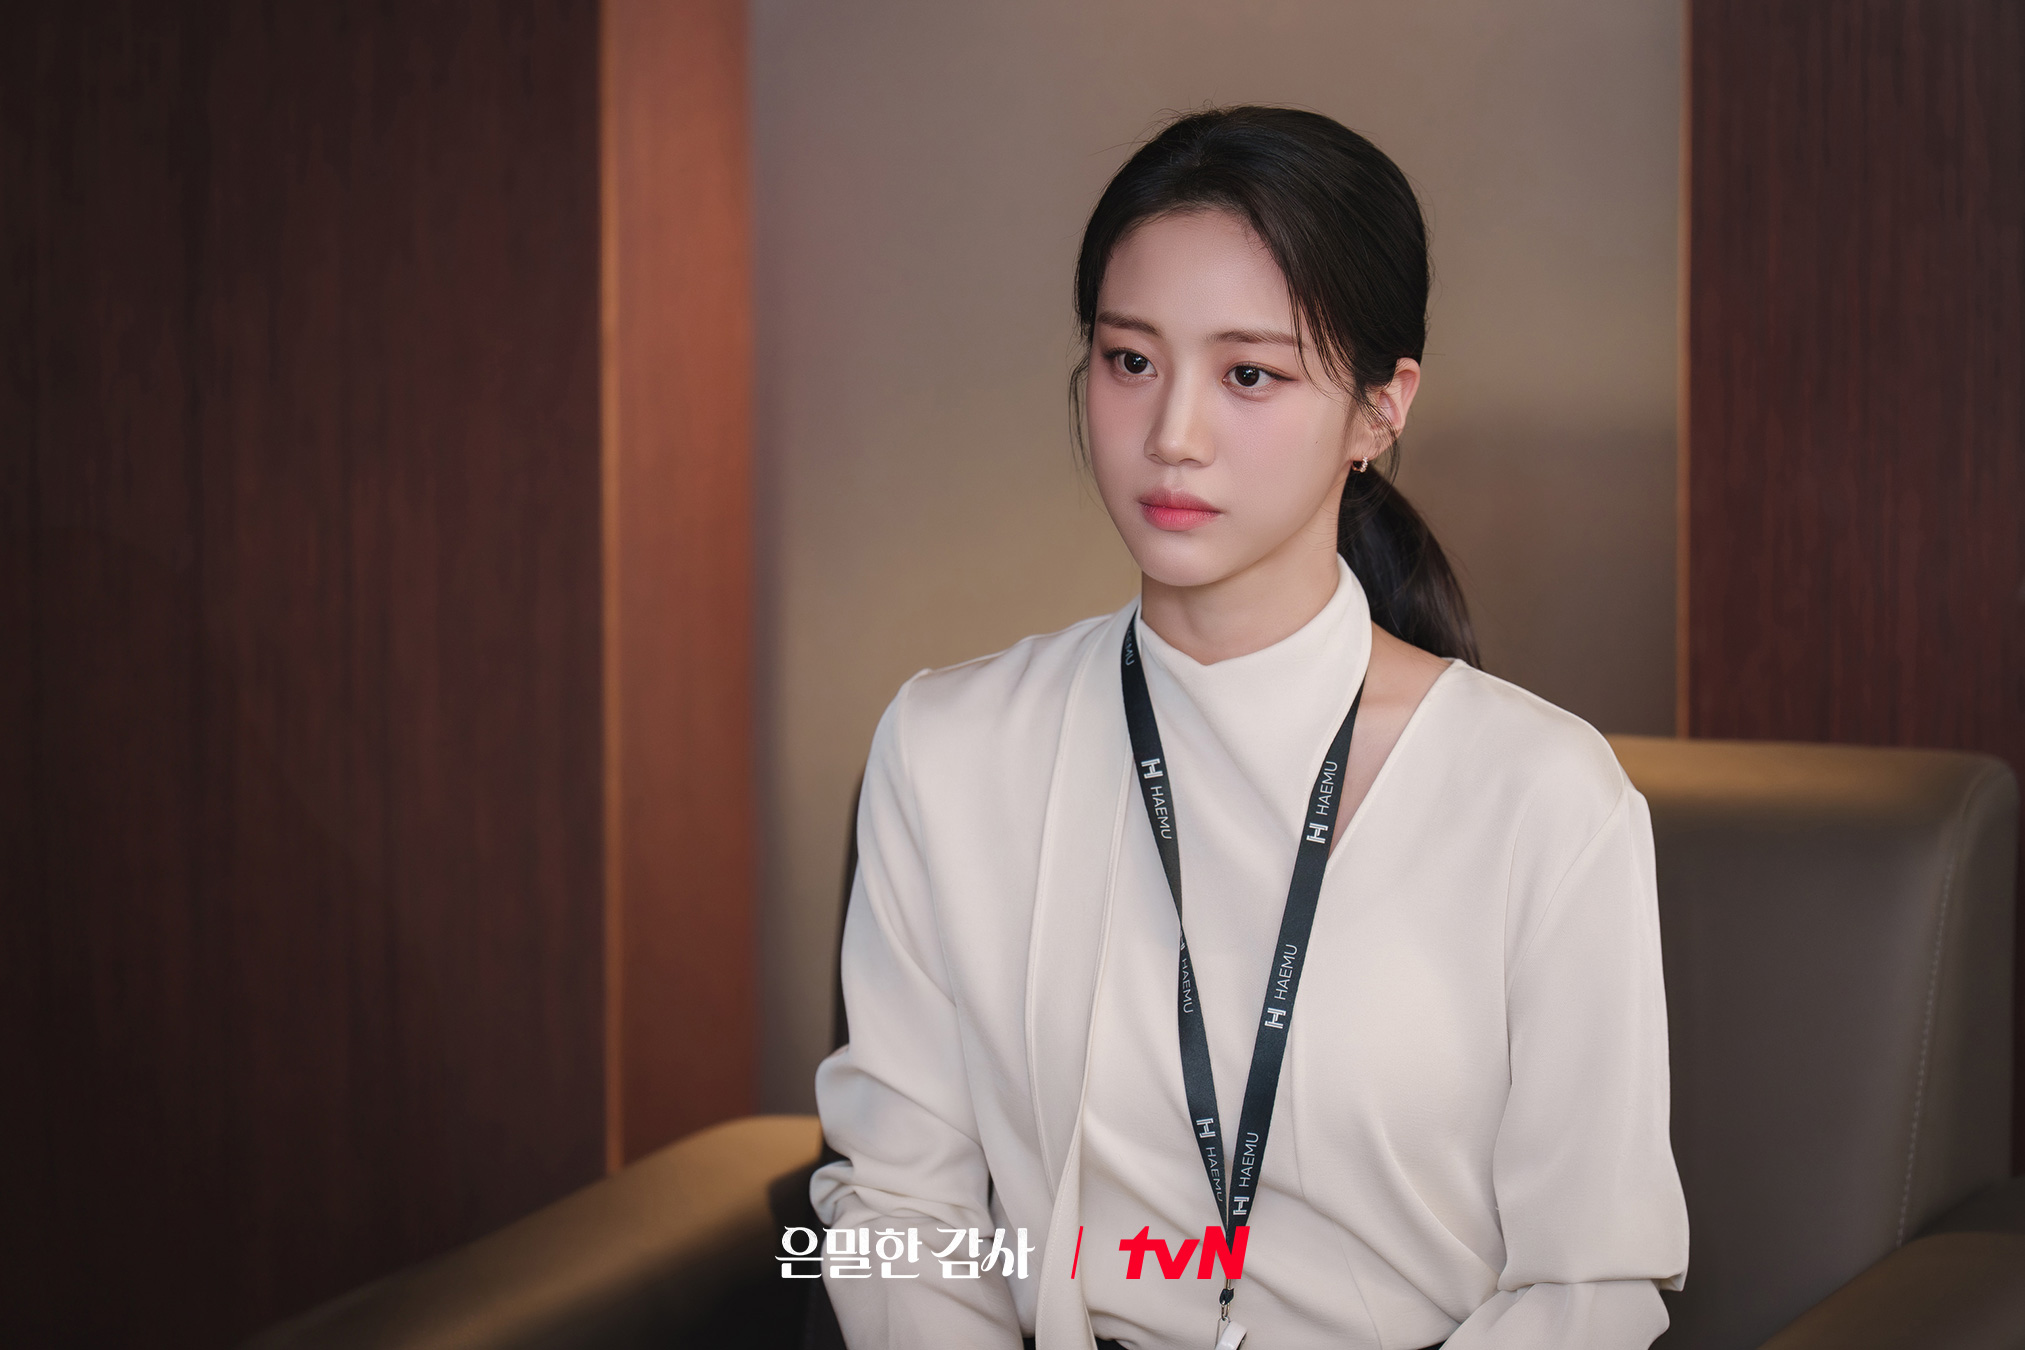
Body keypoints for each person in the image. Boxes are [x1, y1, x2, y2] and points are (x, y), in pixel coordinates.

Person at [810, 106, 1689, 1350]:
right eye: (1130, 361)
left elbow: (1589, 1285)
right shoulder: (951, 751)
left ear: (1381, 409)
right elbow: (899, 1208)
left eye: (1249, 375)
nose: (1172, 435)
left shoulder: (1541, 795)